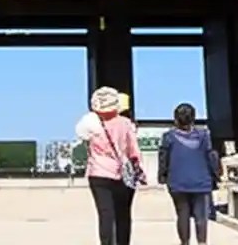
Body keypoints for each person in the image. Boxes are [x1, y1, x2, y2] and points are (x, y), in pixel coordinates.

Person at [75, 87, 145, 245]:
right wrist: (139, 169)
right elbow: (133, 150)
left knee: (105, 215)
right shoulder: (125, 123)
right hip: (122, 174)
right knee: (123, 214)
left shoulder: (90, 123)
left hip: (98, 173)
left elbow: (83, 139)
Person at [157, 103, 221, 245]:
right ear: (193, 118)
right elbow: (211, 157)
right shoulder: (204, 136)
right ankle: (202, 242)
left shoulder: (168, 137)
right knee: (201, 216)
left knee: (182, 214)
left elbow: (163, 159)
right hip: (201, 181)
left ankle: (184, 242)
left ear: (175, 119)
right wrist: (216, 176)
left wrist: (162, 177)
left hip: (177, 181)